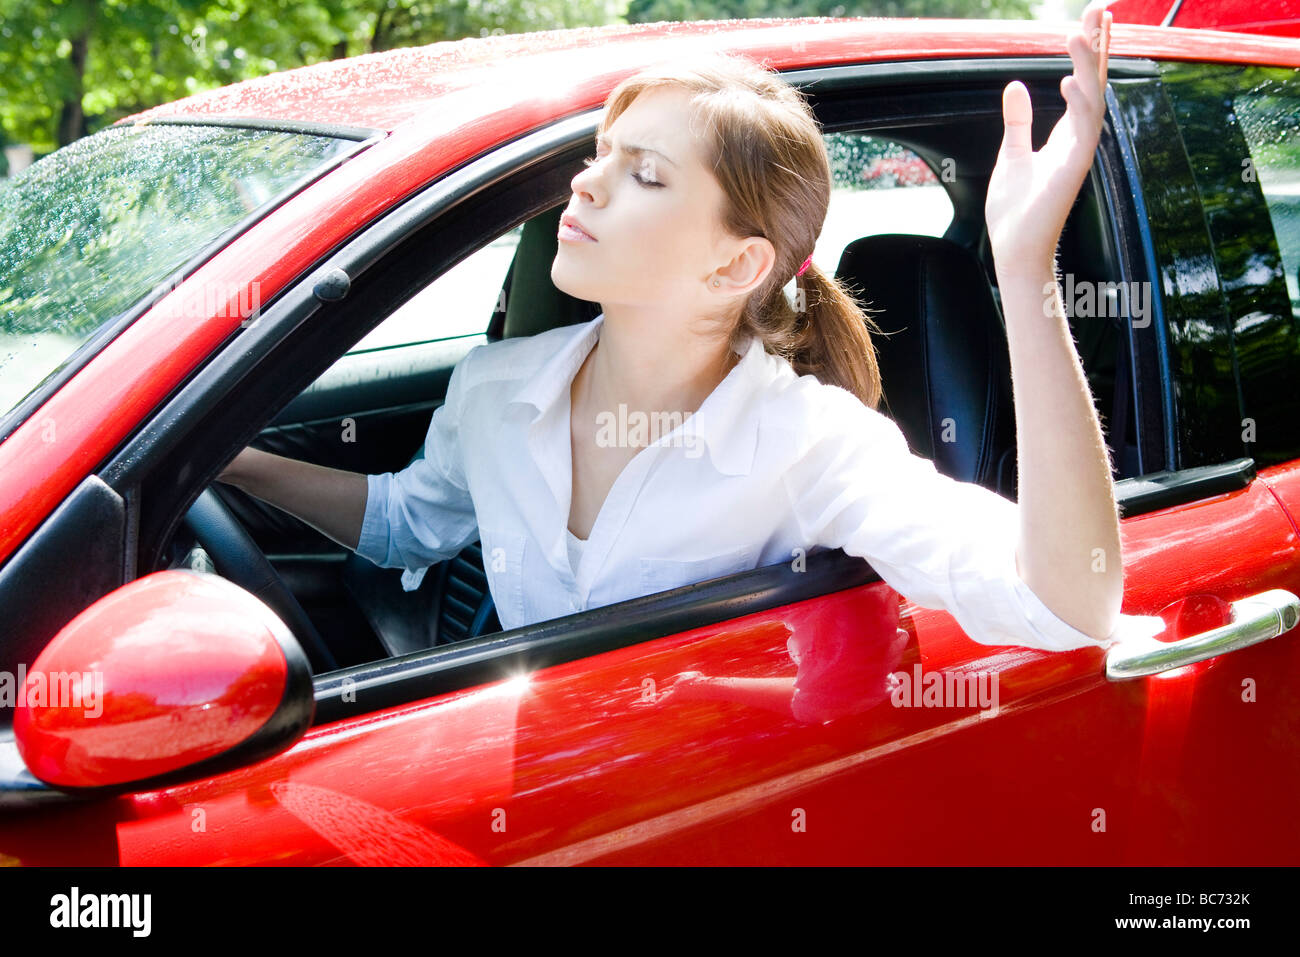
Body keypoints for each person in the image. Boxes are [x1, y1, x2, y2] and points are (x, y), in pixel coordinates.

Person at [219, 3, 1165, 652]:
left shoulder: (806, 441)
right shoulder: (495, 389)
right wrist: (232, 465)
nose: (583, 182)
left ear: (735, 265)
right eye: (601, 156)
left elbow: (1067, 602)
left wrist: (1026, 271)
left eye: (646, 173)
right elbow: (405, 525)